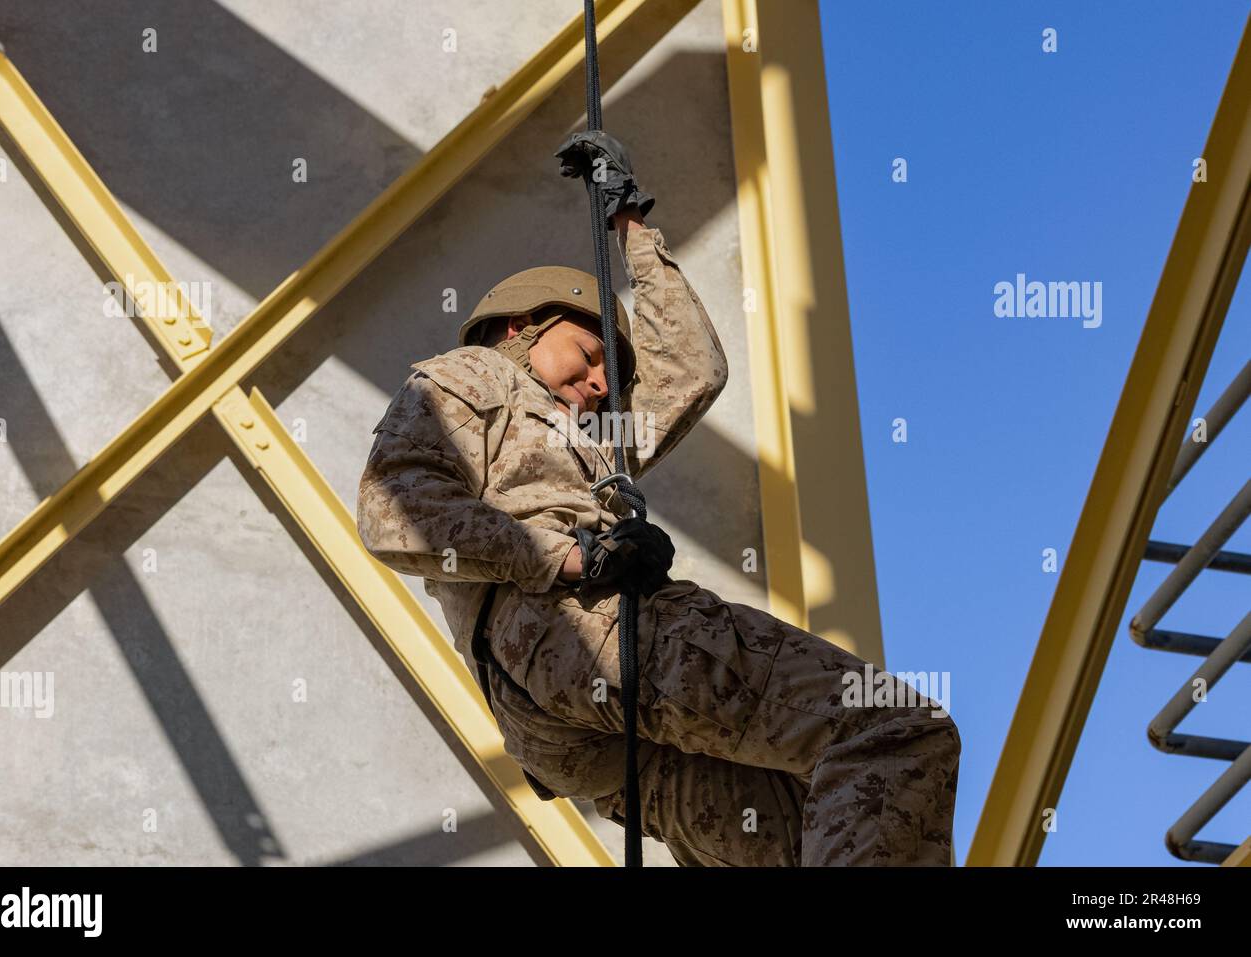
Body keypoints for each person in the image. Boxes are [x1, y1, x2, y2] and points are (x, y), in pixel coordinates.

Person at [356, 131, 961, 866]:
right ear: (520, 329)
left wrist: (630, 225)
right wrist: (574, 556)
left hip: (565, 723)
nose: (603, 382)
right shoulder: (482, 375)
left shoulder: (595, 438)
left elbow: (692, 369)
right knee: (891, 725)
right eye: (588, 354)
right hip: (578, 631)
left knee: (809, 825)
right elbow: (395, 510)